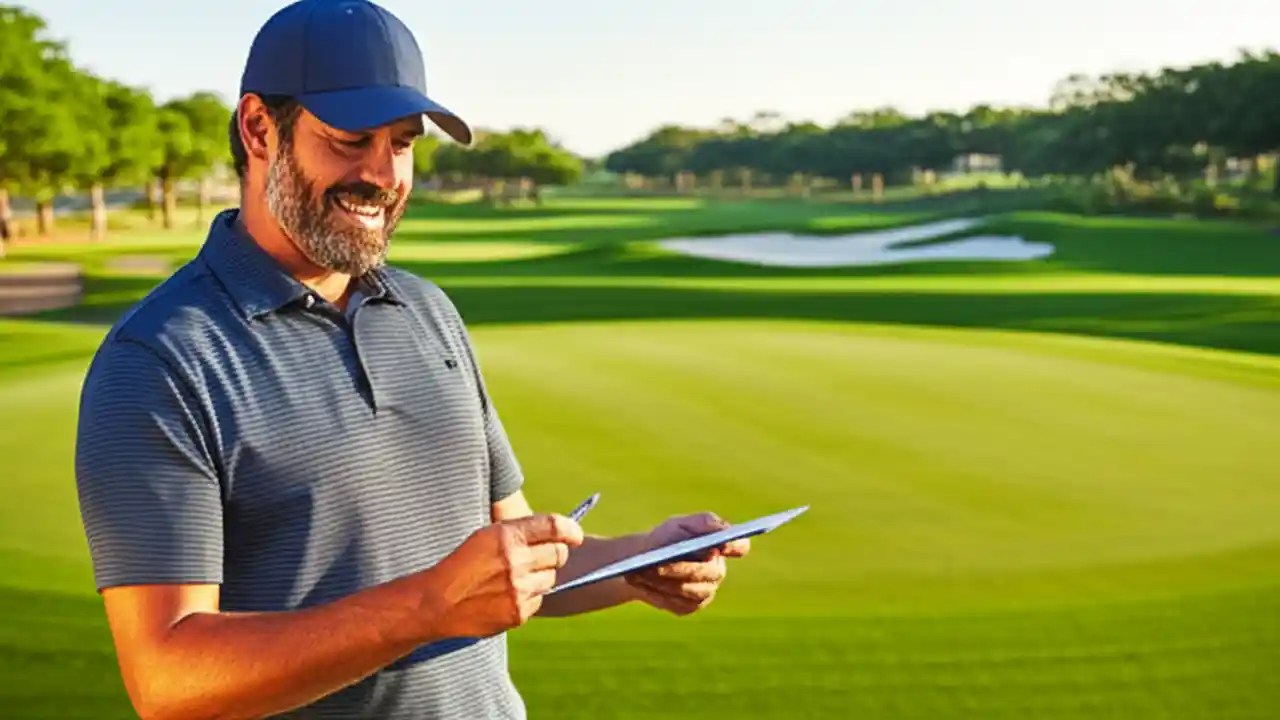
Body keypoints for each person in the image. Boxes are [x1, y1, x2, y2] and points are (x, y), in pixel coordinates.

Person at [72, 1, 750, 718]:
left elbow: (506, 565)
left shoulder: (428, 312)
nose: (383, 174)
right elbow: (169, 679)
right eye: (350, 139)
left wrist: (641, 560)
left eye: (402, 143)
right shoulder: (159, 360)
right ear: (259, 129)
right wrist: (430, 606)